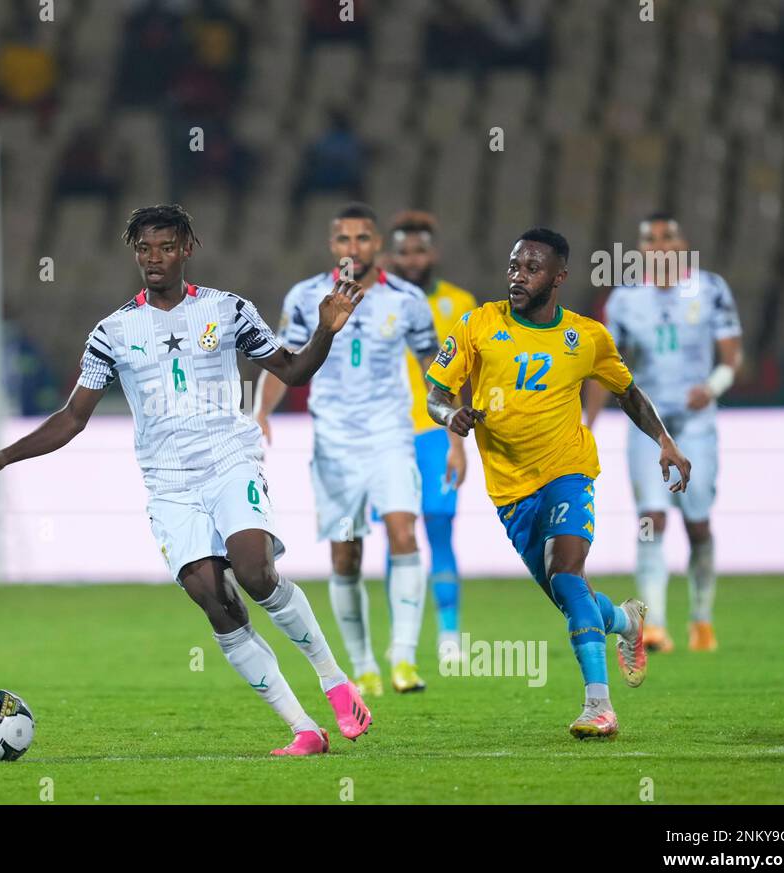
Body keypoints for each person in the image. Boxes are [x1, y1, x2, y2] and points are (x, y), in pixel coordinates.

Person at [0, 204, 373, 756]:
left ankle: (334, 681)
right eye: (144, 249)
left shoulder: (228, 310)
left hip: (229, 461)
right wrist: (4, 456)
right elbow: (73, 417)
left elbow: (293, 371)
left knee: (254, 572)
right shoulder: (111, 332)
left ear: (187, 249)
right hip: (169, 483)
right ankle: (303, 729)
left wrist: (325, 330)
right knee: (217, 603)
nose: (154, 258)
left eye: (166, 247)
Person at [426, 228, 691, 739]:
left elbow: (628, 392)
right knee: (572, 598)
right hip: (511, 491)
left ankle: (600, 707)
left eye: (532, 268)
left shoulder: (587, 337)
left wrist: (664, 440)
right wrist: (448, 416)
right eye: (513, 266)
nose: (518, 276)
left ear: (558, 277)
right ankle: (626, 621)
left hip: (568, 471)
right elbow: (436, 392)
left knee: (567, 574)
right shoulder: (478, 324)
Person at [255, 203, 439, 697]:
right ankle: (363, 666)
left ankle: (403, 658)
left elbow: (432, 365)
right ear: (331, 245)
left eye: (362, 239)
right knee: (345, 553)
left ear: (377, 244)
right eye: (343, 239)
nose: (352, 248)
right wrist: (261, 412)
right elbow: (284, 360)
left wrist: (449, 421)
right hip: (334, 445)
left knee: (403, 530)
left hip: (390, 437)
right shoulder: (305, 297)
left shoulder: (407, 299)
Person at [585, 213, 742, 652]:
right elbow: (605, 366)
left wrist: (712, 387)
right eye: (650, 240)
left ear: (682, 244)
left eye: (667, 237)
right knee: (651, 518)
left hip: (696, 423)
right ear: (640, 251)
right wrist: (586, 425)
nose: (659, 246)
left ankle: (701, 619)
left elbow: (732, 357)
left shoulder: (710, 289)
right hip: (648, 425)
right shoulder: (625, 300)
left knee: (697, 523)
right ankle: (653, 625)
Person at [385, 211, 477, 661]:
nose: (412, 259)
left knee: (439, 530)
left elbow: (468, 377)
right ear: (392, 256)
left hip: (437, 433)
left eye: (419, 250)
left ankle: (449, 634)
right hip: (388, 435)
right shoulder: (376, 302)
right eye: (403, 252)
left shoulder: (460, 304)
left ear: (433, 253)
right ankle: (401, 641)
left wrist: (460, 442)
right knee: (396, 534)